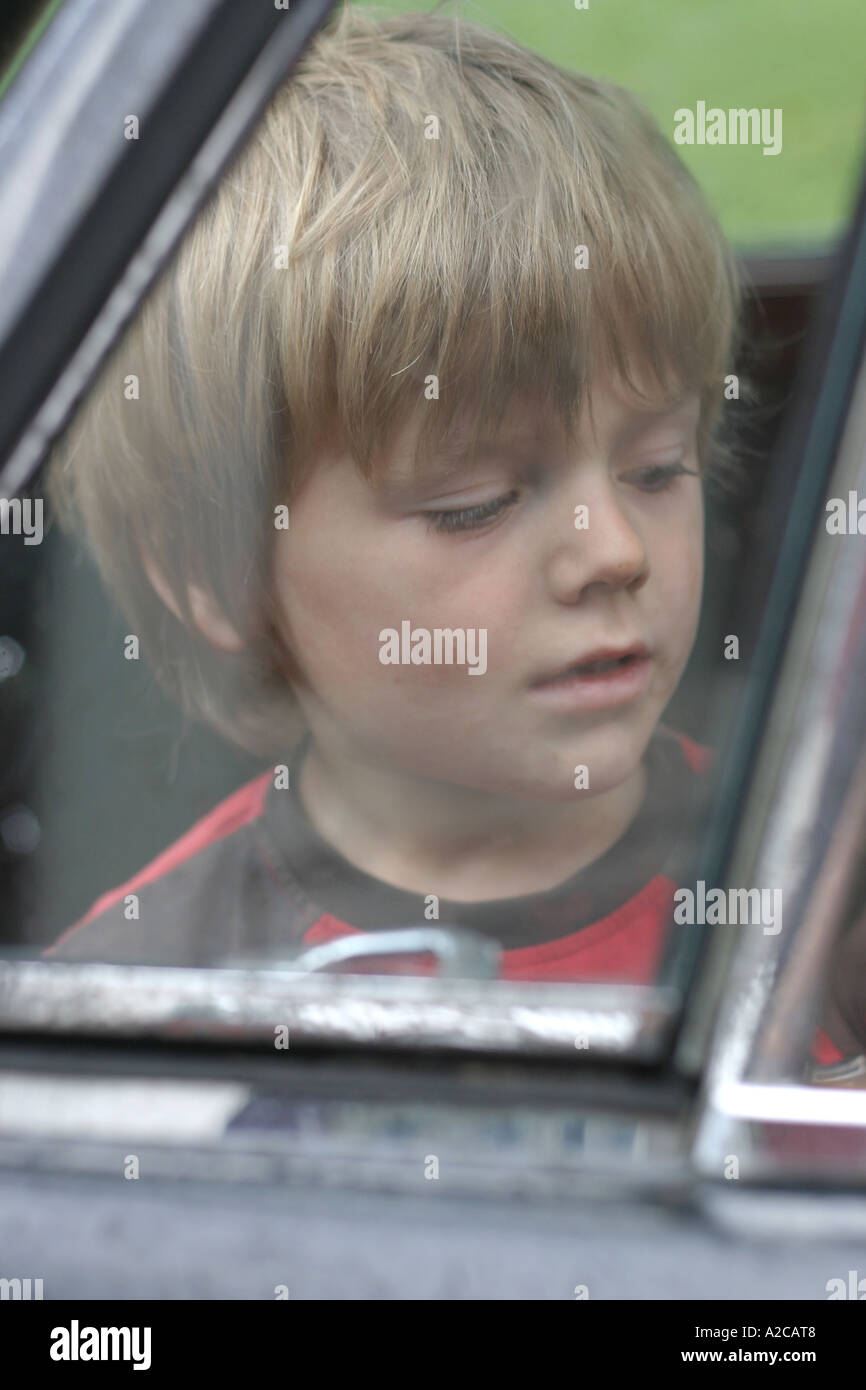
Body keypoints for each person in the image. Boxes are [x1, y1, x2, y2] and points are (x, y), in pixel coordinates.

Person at [44, 7, 738, 987]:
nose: (615, 550)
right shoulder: (139, 999)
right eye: (476, 503)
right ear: (219, 572)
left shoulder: (814, 883)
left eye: (658, 468)